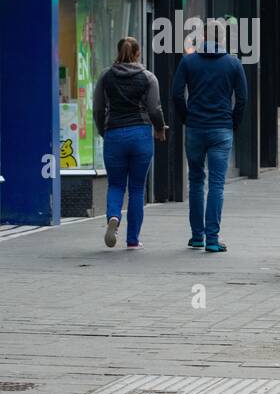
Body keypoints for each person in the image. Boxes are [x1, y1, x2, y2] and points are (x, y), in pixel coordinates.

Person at [171, 32, 248, 253]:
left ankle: (197, 236)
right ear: (222, 39)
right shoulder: (233, 63)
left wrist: (186, 117)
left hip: (195, 128)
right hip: (221, 128)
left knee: (195, 181)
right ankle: (212, 239)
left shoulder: (188, 61)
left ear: (203, 38)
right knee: (216, 185)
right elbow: (242, 97)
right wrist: (234, 122)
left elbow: (177, 94)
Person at [93, 37, 166, 250]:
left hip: (114, 133)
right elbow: (154, 109)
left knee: (115, 185)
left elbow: (98, 108)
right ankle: (133, 239)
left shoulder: (106, 76)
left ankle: (113, 218)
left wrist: (103, 130)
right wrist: (160, 129)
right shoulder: (148, 77)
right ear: (138, 53)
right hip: (141, 135)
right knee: (136, 188)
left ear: (118, 51)